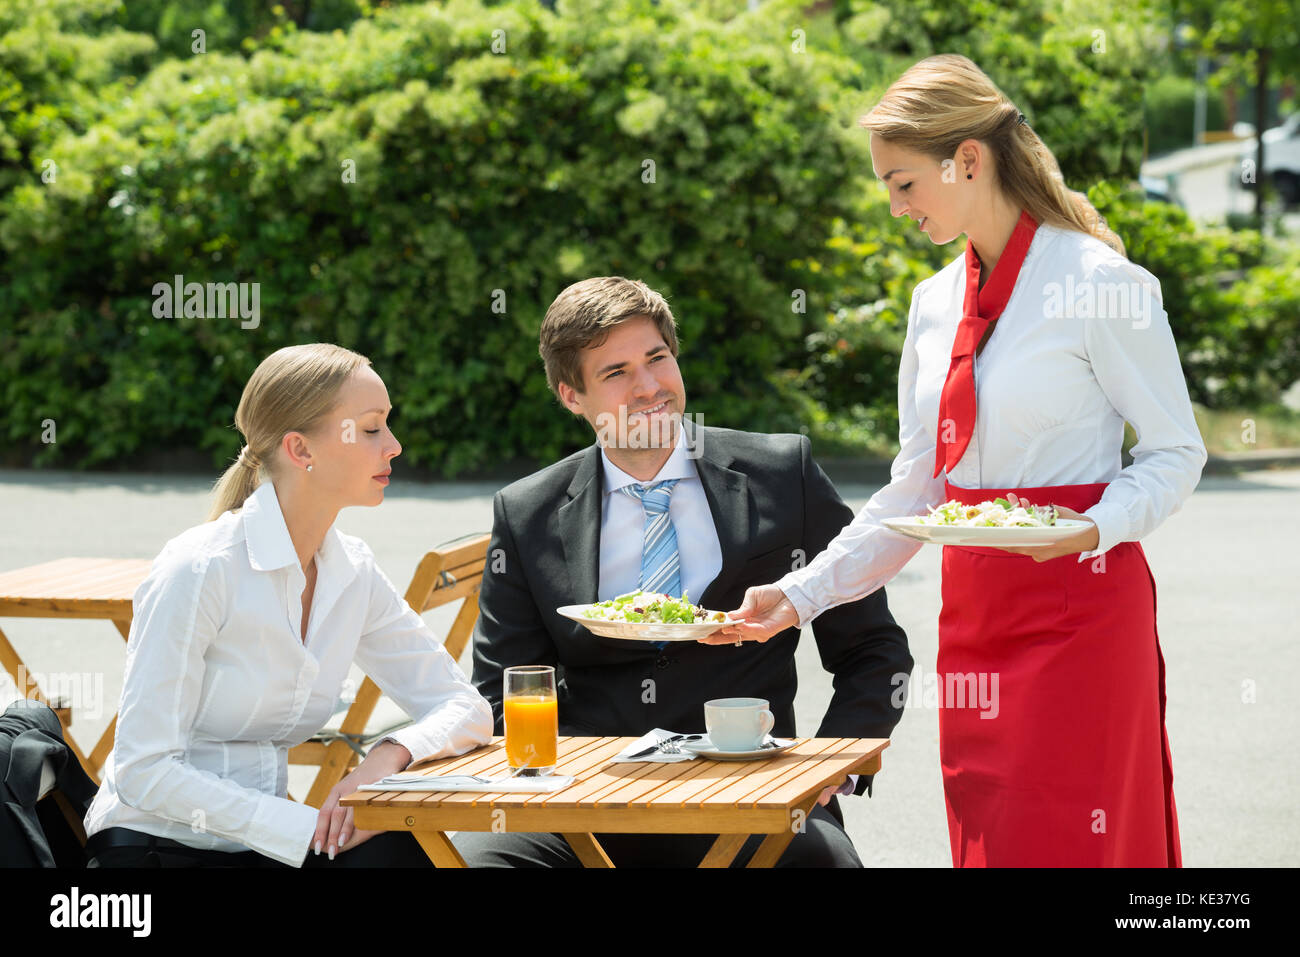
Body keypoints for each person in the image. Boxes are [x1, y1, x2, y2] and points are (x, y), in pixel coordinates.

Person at [713, 54, 1207, 867]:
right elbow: (919, 487)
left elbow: (1176, 451)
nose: (895, 205)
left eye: (904, 183)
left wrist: (1089, 529)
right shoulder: (933, 302)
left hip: (1083, 611)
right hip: (974, 615)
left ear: (967, 160)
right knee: (990, 841)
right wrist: (797, 596)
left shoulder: (1102, 284)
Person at [454, 276, 913, 868]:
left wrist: (826, 769)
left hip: (753, 793)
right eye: (616, 373)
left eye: (657, 358)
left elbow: (874, 649)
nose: (649, 388)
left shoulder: (783, 473)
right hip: (581, 802)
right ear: (572, 396)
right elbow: (503, 688)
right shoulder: (527, 511)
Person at [83, 343, 493, 867]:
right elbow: (144, 770)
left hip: (270, 846)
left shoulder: (351, 570)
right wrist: (301, 828)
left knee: (404, 850)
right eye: (371, 429)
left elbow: (467, 707)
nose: (394, 445)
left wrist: (386, 757)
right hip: (156, 847)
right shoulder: (199, 568)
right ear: (301, 450)